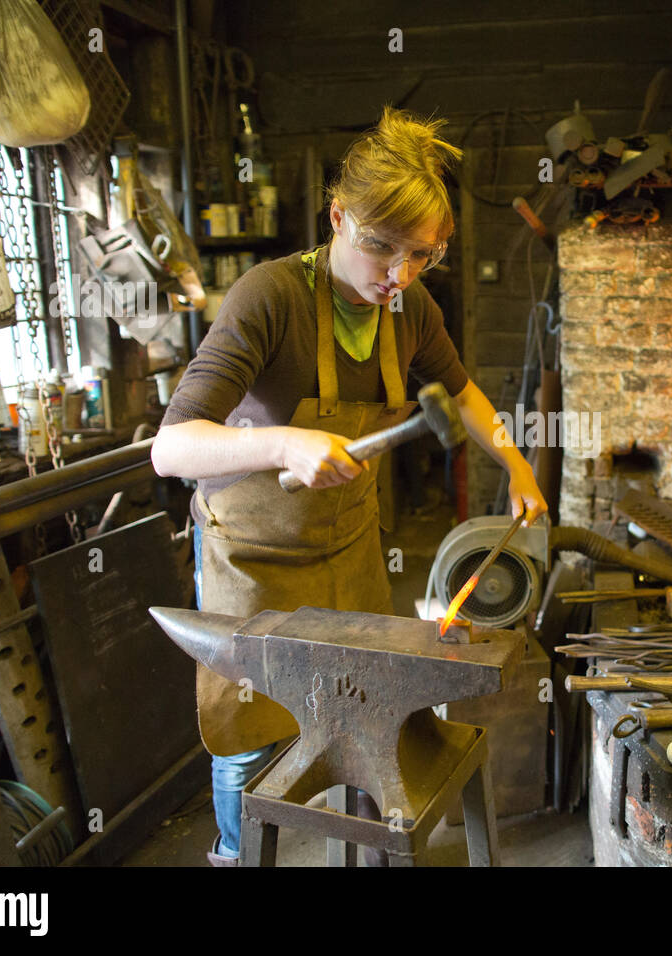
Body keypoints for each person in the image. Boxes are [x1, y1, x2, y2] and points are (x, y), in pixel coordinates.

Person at [151, 106, 547, 865]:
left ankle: (364, 851)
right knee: (246, 731)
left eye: (420, 256)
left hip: (349, 545)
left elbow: (462, 394)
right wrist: (281, 442)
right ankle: (238, 855)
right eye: (379, 247)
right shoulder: (268, 298)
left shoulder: (410, 306)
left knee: (371, 713)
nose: (396, 275)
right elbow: (169, 449)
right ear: (337, 217)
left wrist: (517, 466)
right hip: (253, 557)